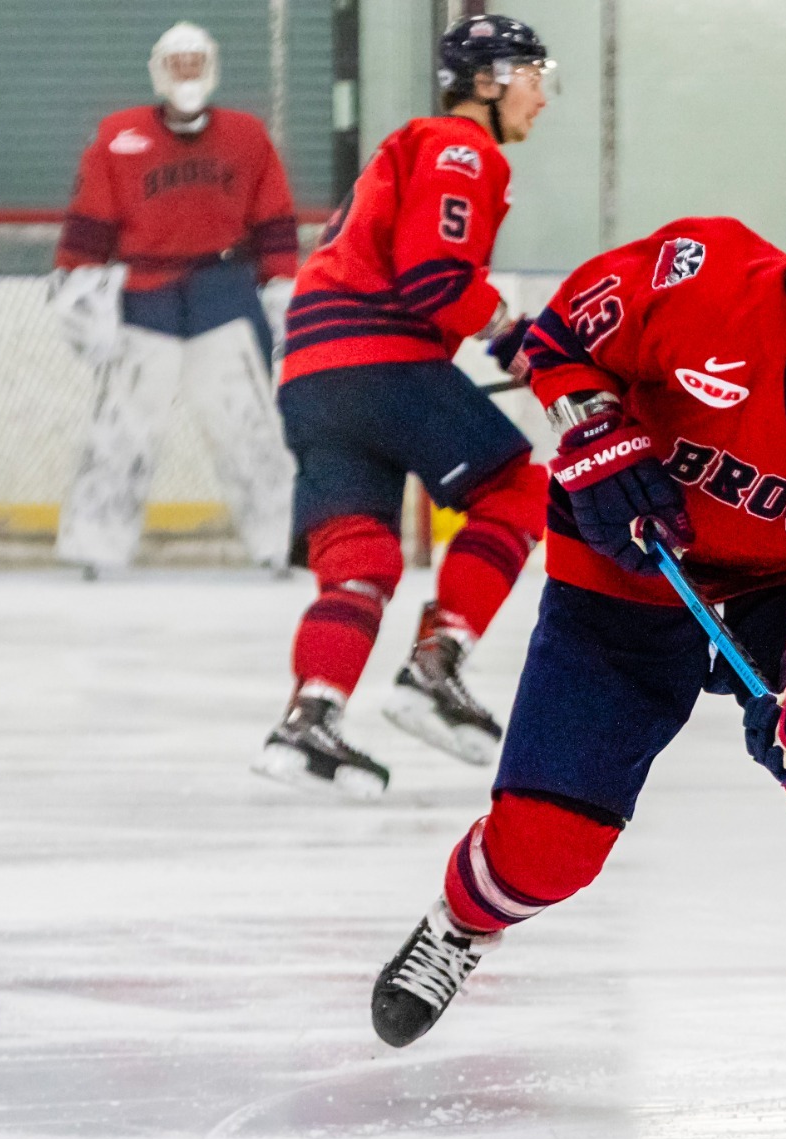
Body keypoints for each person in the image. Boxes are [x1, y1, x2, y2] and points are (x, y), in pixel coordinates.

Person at [363, 164, 786, 1117]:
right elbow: (563, 338)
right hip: (629, 556)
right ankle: (463, 921)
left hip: (782, 584)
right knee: (550, 845)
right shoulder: (706, 279)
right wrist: (598, 433)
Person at [252, 15, 556, 799]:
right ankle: (435, 665)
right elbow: (435, 278)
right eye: (531, 76)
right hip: (379, 359)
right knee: (519, 490)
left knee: (362, 561)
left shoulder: (418, 146)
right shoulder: (462, 147)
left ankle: (310, 719)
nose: (541, 96)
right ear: (487, 81)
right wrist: (520, 344)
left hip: (313, 375)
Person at [49, 21, 298, 575]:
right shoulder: (118, 136)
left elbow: (274, 220)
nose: (187, 73)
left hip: (224, 289)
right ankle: (95, 545)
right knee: (123, 427)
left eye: (196, 62)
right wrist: (79, 283)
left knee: (249, 424)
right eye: (177, 63)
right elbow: (89, 222)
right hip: (145, 293)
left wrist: (282, 285)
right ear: (159, 72)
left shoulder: (247, 136)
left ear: (211, 68)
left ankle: (280, 541)